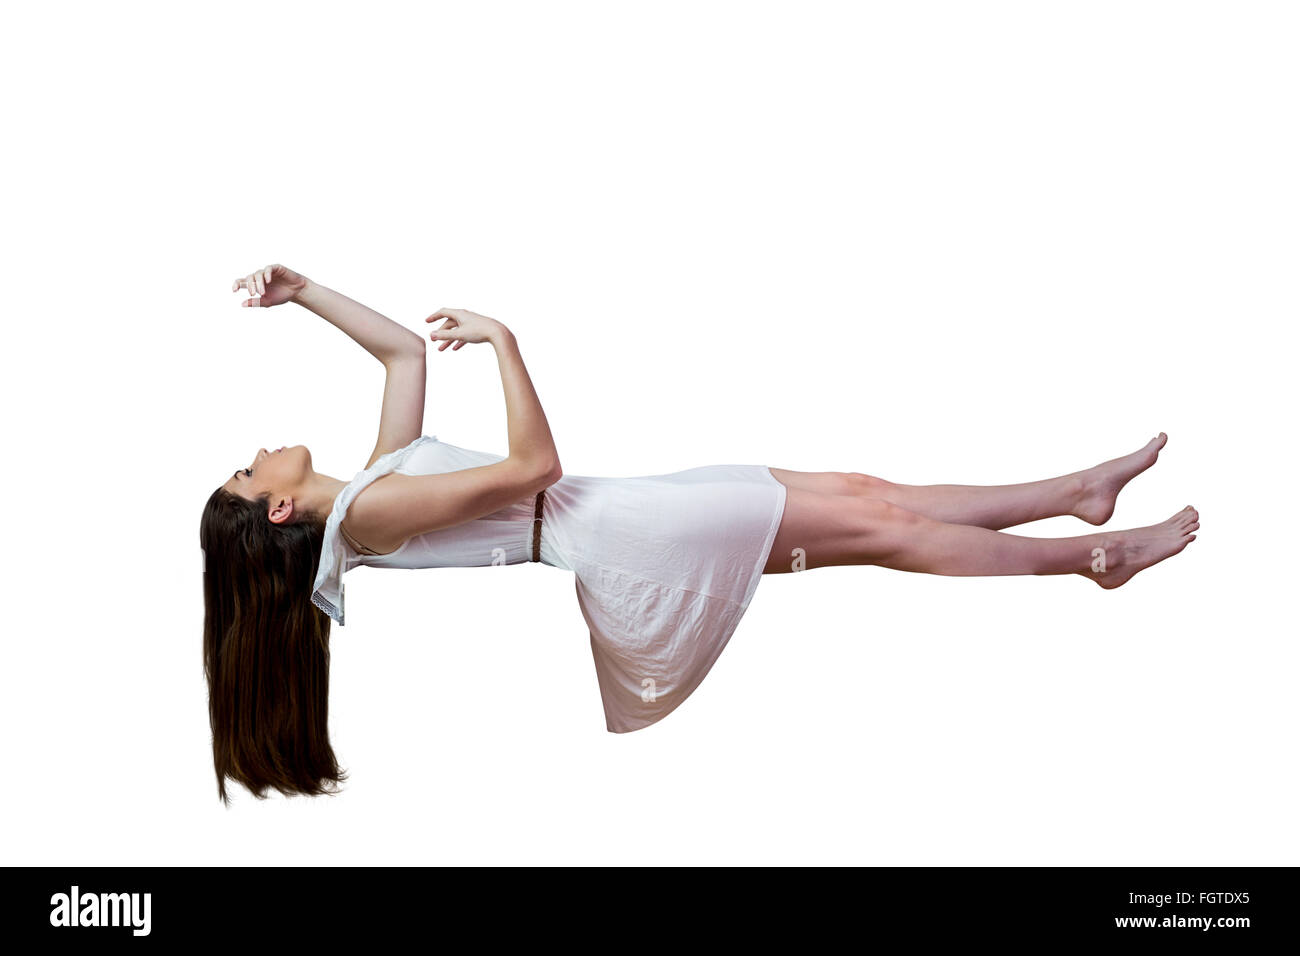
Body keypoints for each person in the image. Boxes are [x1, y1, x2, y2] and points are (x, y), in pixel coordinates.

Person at [200, 264, 1199, 805]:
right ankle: (1090, 556)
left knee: (864, 493)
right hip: (623, 528)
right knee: (878, 526)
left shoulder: (373, 484)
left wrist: (304, 293)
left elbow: (402, 353)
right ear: (277, 508)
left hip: (622, 510)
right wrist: (506, 341)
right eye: (248, 472)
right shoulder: (367, 517)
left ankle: (1075, 492)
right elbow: (532, 469)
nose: (257, 451)